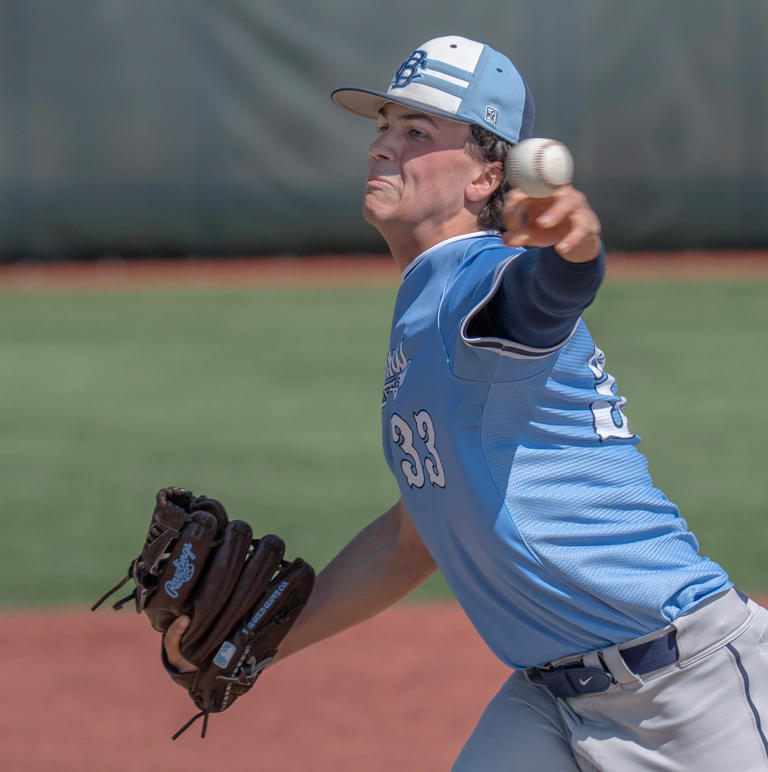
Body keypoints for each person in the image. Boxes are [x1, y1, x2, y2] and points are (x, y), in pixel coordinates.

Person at [165, 36, 768, 770]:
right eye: (384, 126)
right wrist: (250, 646)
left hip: (686, 689)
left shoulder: (479, 277)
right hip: (551, 698)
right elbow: (408, 543)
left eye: (417, 132)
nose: (383, 146)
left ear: (487, 176)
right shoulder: (423, 303)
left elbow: (541, 299)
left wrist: (576, 254)